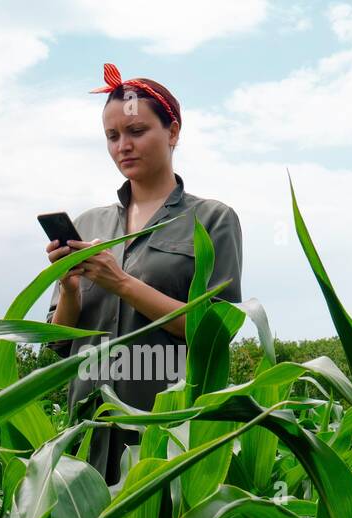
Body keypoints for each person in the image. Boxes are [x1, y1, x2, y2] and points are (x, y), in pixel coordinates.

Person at [44, 63, 244, 485]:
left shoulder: (212, 219)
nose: (123, 146)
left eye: (136, 131)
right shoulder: (91, 224)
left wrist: (120, 282)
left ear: (172, 132)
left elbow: (211, 331)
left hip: (168, 433)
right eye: (112, 136)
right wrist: (71, 289)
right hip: (85, 436)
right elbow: (60, 344)